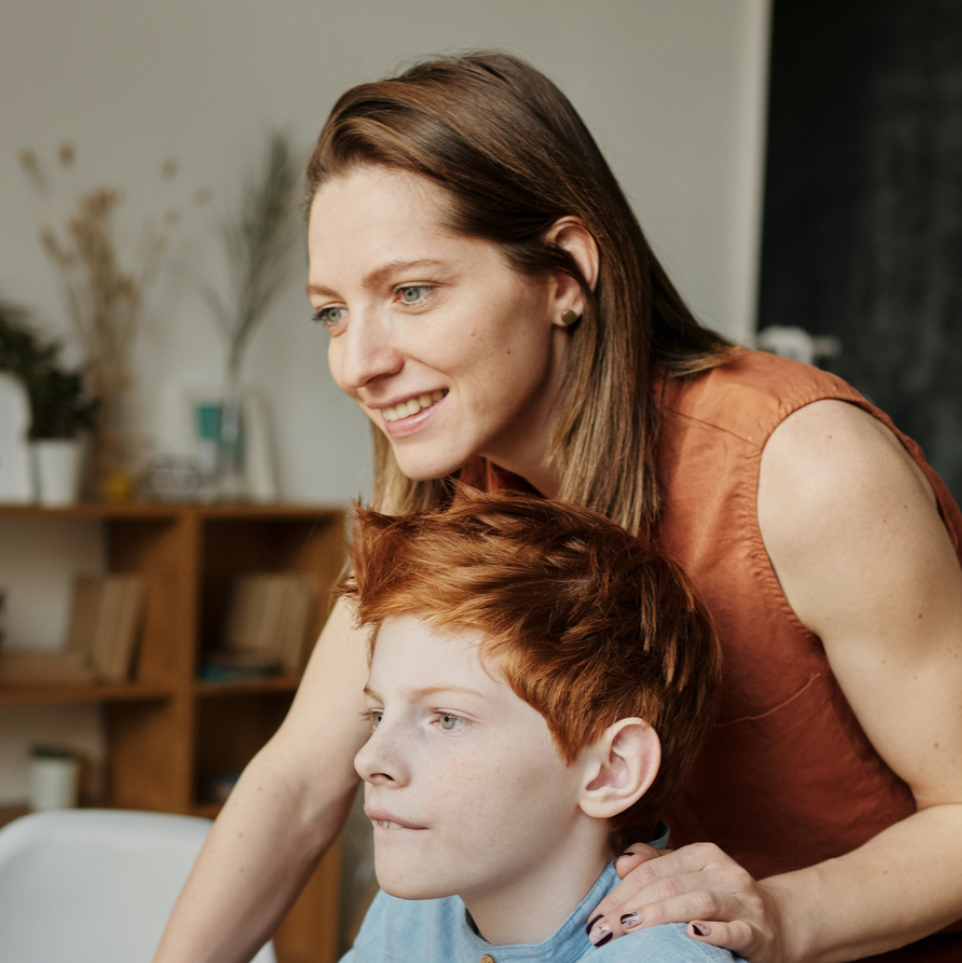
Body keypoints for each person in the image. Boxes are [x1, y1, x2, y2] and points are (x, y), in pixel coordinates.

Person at [153, 52, 962, 963]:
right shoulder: (441, 489)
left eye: (411, 292)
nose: (357, 362)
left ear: (566, 275)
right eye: (332, 313)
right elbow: (299, 782)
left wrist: (777, 914)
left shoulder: (806, 468)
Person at [339, 488, 733, 962]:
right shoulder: (420, 908)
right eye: (379, 715)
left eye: (447, 719)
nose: (369, 760)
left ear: (612, 769)